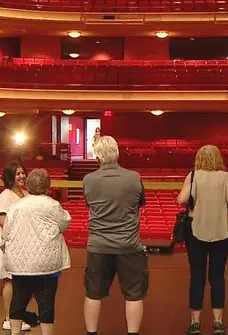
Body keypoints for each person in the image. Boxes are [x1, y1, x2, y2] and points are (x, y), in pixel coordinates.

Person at [83, 135, 148, 335]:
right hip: (129, 246)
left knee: (93, 293)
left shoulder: (88, 180)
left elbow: (89, 204)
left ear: (97, 156)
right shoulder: (134, 178)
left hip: (98, 246)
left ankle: (91, 332)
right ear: (117, 153)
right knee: (134, 295)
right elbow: (141, 203)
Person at [177, 145, 228, 335]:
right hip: (221, 233)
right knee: (218, 277)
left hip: (197, 233)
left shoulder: (193, 176)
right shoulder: (226, 177)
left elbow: (181, 200)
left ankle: (195, 322)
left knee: (197, 277)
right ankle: (218, 322)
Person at [1, 169, 71, 335]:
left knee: (18, 299)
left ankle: (15, 332)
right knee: (46, 302)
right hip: (47, 264)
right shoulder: (53, 205)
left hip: (20, 264)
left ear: (29, 184)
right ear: (47, 185)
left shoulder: (16, 207)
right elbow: (64, 224)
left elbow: (6, 233)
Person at [0, 161, 33, 332]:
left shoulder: (26, 194)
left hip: (24, 244)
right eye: (18, 174)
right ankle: (8, 319)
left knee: (22, 283)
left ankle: (18, 316)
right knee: (10, 280)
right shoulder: (6, 196)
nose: (22, 176)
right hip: (10, 244)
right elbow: (3, 222)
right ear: (10, 177)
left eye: (23, 173)